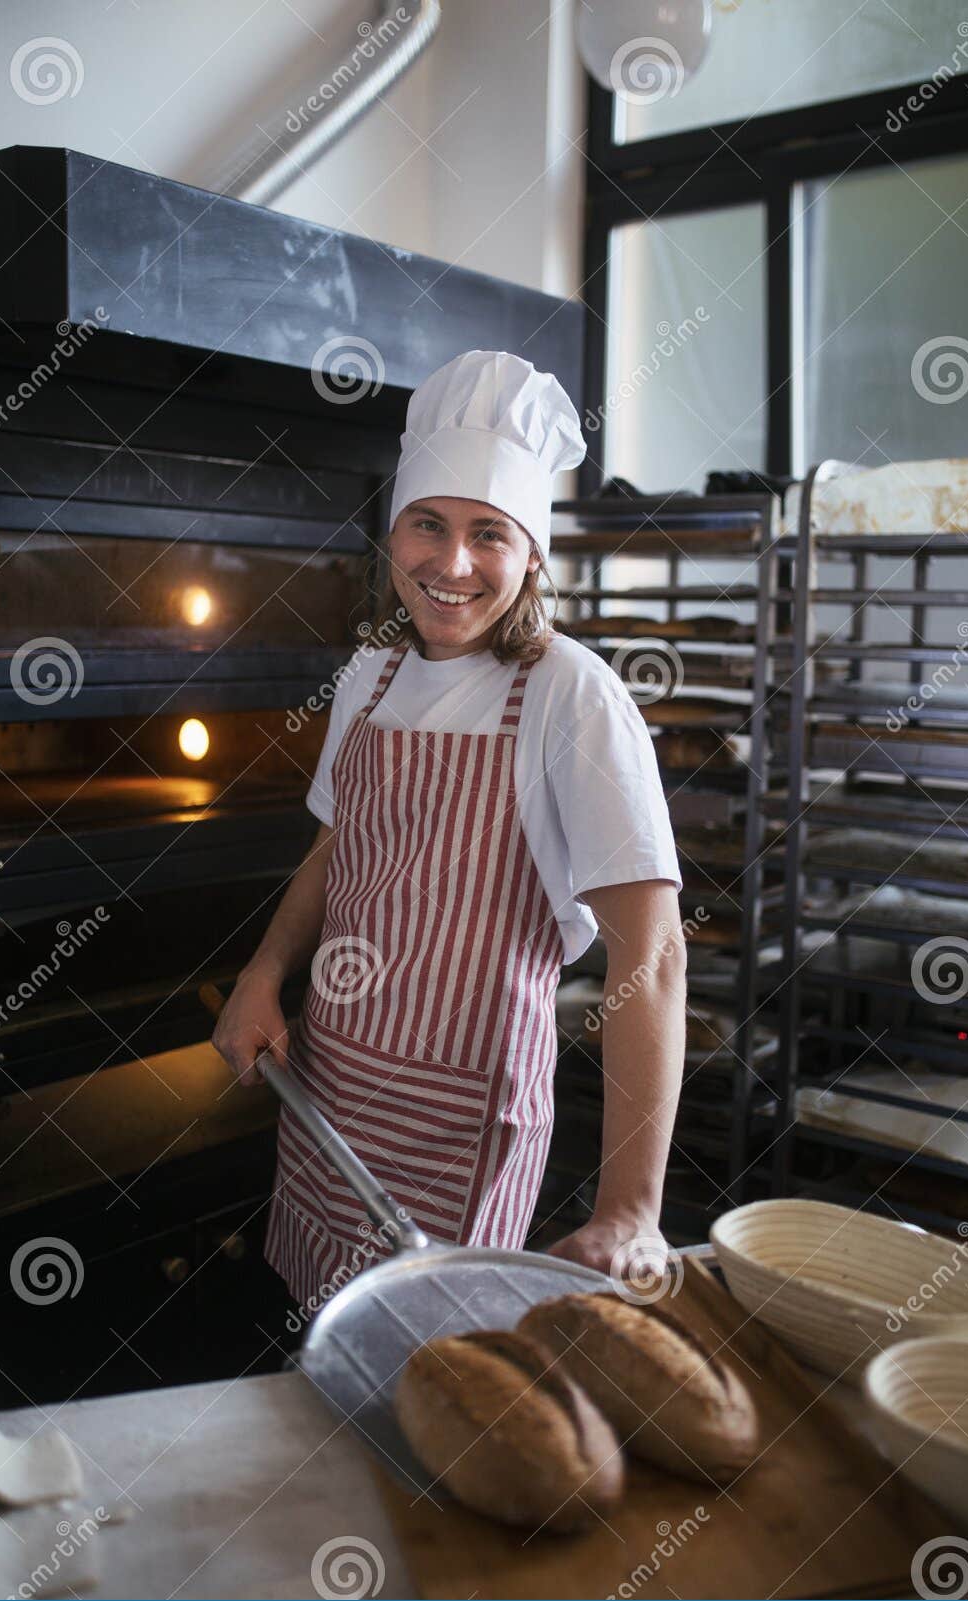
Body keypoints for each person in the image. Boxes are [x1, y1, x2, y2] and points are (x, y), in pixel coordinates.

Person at [212, 348, 687, 1301]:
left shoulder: (570, 697)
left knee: (440, 1370)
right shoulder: (370, 676)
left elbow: (655, 951)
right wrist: (263, 975)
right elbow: (338, 848)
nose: (452, 563)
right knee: (325, 1344)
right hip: (333, 1081)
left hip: (463, 1110)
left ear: (531, 555)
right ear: (393, 534)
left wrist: (632, 1208)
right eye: (428, 524)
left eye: (489, 534)